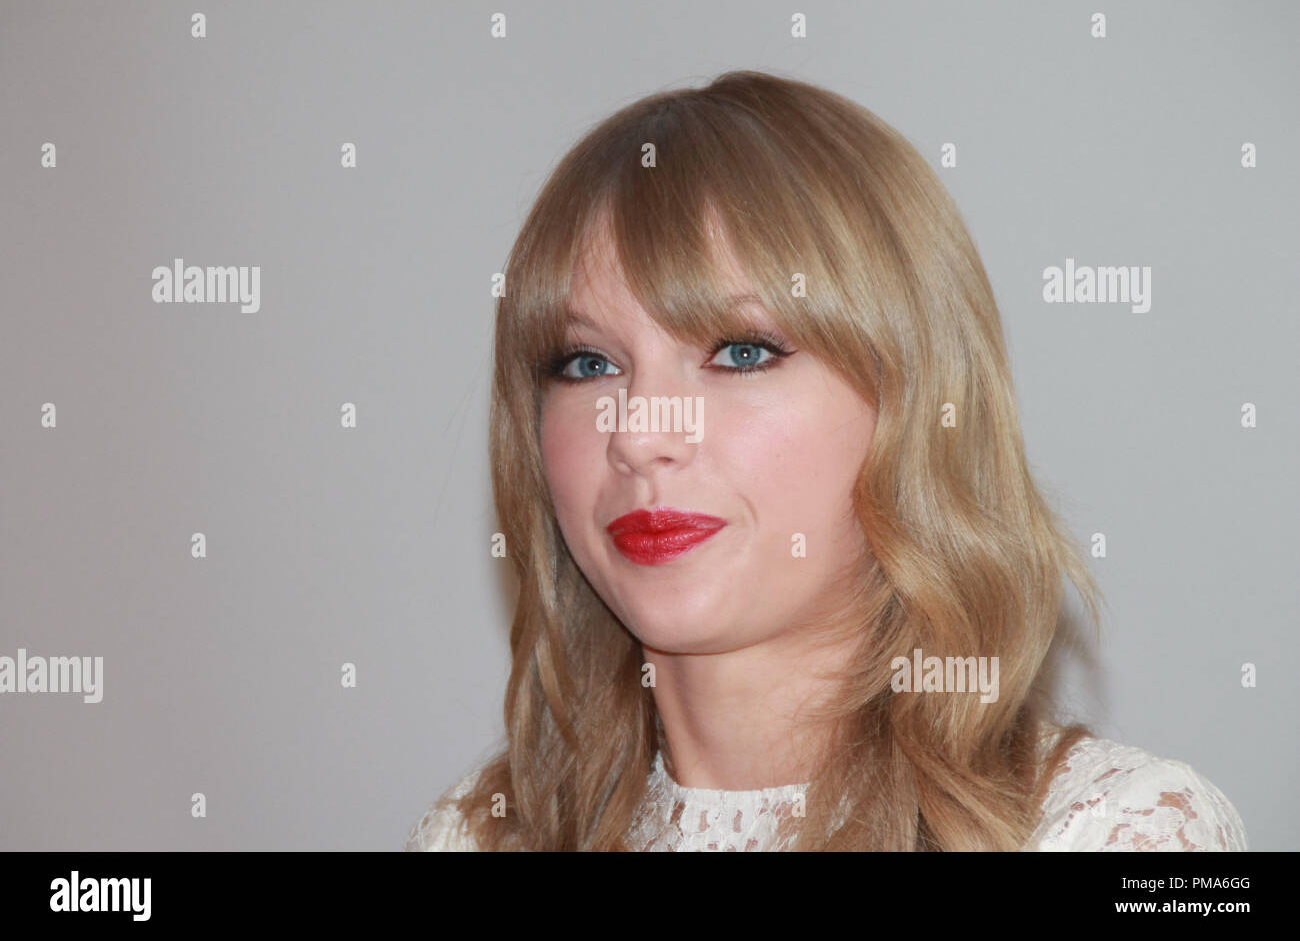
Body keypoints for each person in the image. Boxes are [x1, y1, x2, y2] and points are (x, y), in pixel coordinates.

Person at [406, 70, 1247, 851]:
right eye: (588, 364)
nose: (638, 434)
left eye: (740, 352)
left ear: (913, 399)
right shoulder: (478, 835)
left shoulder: (1120, 832)